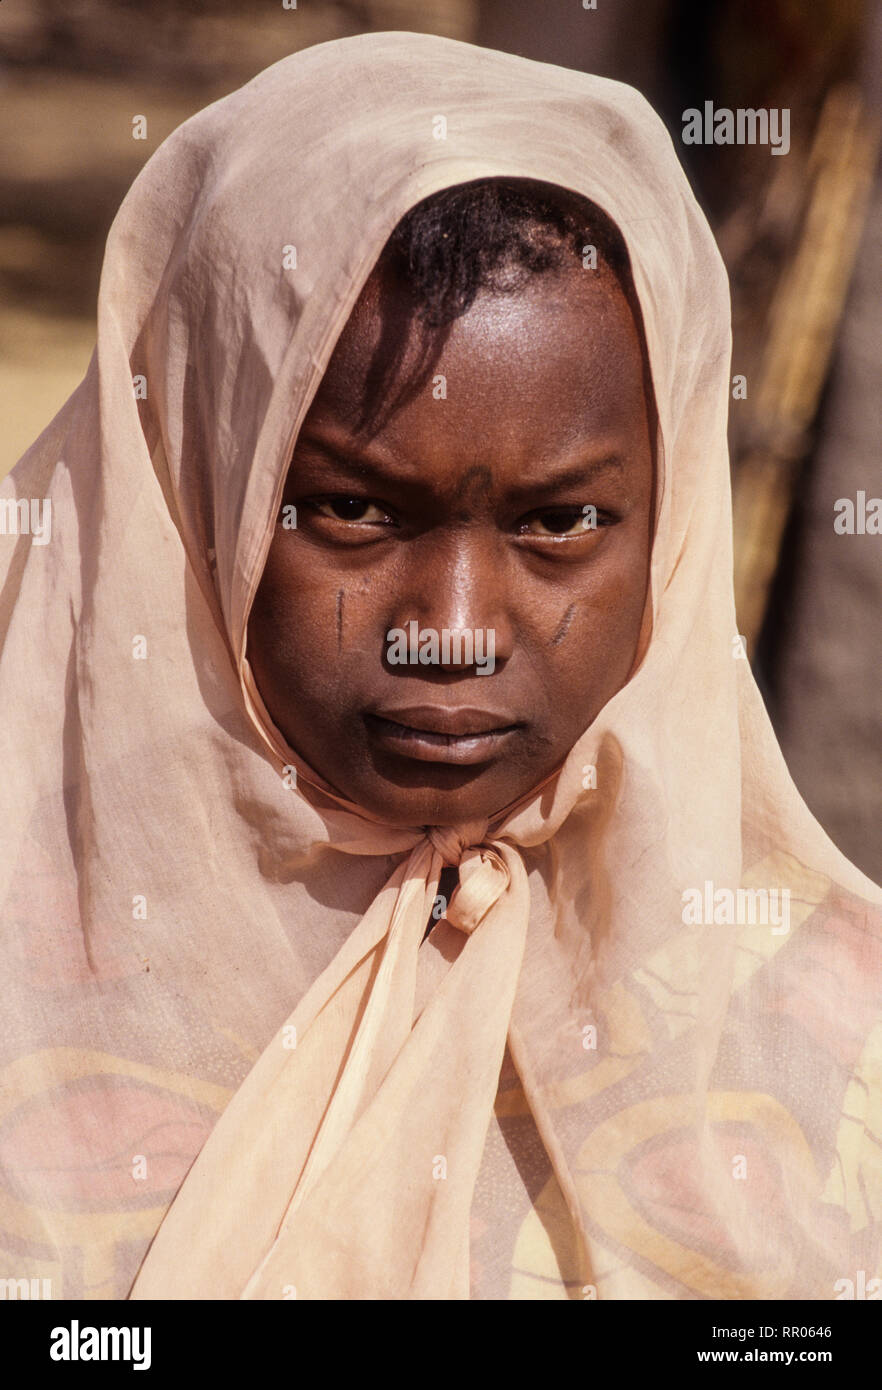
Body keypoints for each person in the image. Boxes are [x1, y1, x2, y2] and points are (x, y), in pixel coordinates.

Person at [1, 30, 880, 1302]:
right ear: (197, 479)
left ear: (671, 530)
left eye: (560, 523)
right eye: (356, 511)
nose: (453, 630)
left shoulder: (818, 1031)